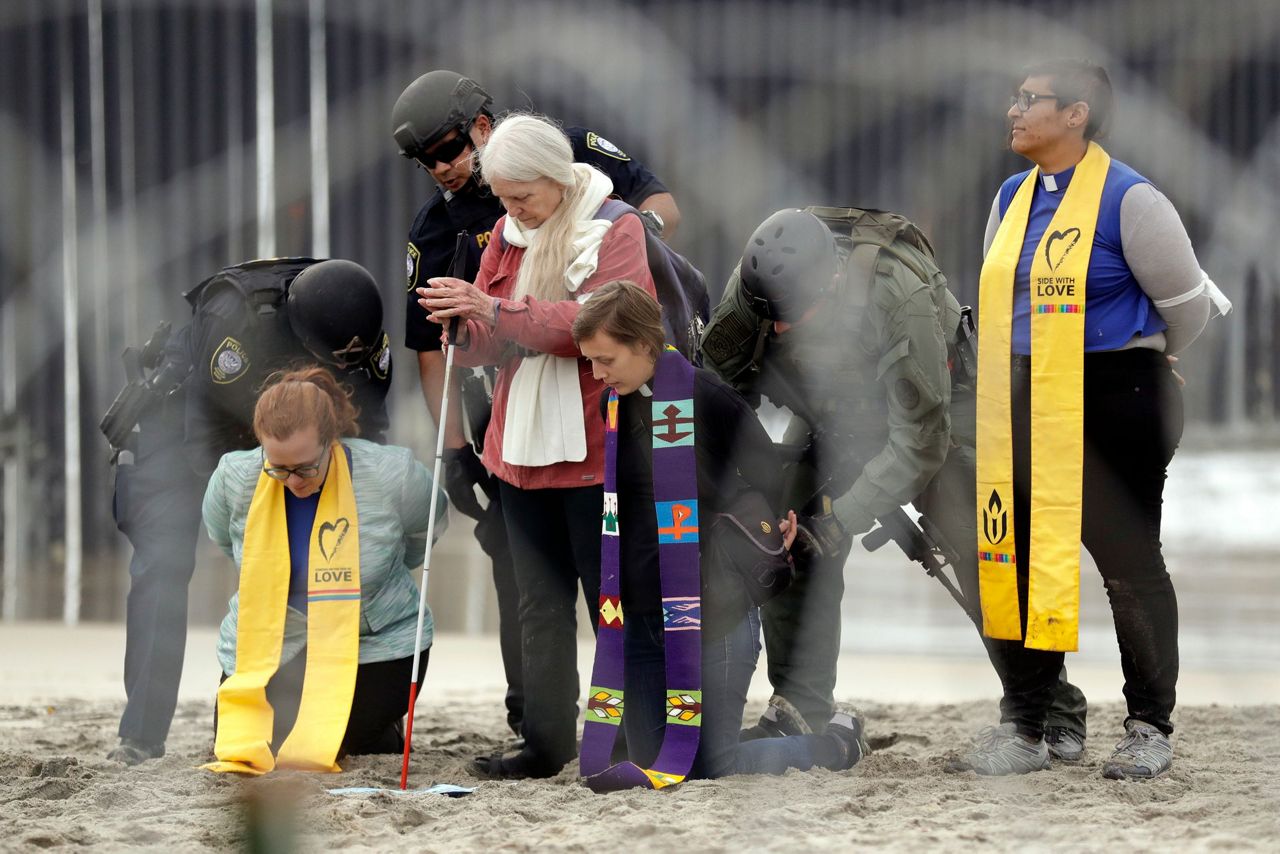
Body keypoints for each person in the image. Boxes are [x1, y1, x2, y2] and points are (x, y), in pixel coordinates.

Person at [698, 206, 1088, 744]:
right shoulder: (754, 289)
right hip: (827, 411)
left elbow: (920, 441)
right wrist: (754, 493)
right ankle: (802, 707)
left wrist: (841, 519)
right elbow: (716, 395)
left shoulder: (897, 296)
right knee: (785, 534)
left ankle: (1050, 709)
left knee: (978, 549)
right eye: (773, 319)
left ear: (832, 282)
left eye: (794, 315)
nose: (781, 329)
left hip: (937, 413)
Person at [949, 60, 1224, 779]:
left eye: (1029, 99)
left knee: (1128, 568)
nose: (1013, 110)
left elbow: (1188, 306)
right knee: (1014, 559)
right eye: (1014, 98)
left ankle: (1148, 728)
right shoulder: (1011, 196)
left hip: (1115, 396)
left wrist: (1146, 355)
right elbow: (1003, 299)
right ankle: (1032, 729)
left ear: (1076, 114)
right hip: (1024, 395)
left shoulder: (1131, 199)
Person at [391, 69, 682, 739]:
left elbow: (598, 325)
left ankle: (633, 732)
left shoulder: (615, 225)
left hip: (598, 443)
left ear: (556, 178)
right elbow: (484, 344)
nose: (510, 211)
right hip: (513, 446)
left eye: (520, 197)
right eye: (502, 198)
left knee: (613, 598)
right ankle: (543, 738)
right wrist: (464, 329)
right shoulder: (493, 231)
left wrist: (492, 309)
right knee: (536, 604)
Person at [572, 280, 868, 783]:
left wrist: (774, 526)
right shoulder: (614, 405)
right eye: (591, 362)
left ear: (644, 344)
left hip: (715, 610)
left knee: (708, 766)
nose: (597, 374)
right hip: (640, 614)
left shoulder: (708, 397)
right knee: (653, 765)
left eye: (606, 360)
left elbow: (769, 475)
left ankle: (835, 743)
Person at [105, 258, 394, 765]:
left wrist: (342, 497)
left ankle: (362, 717)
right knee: (162, 565)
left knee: (340, 558)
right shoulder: (235, 324)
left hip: (292, 434)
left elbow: (368, 429)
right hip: (192, 424)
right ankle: (142, 735)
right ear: (301, 338)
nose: (347, 364)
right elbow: (204, 443)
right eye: (335, 359)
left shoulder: (358, 333)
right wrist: (266, 497)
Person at [203, 366, 447, 773]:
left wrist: (378, 574)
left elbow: (427, 527)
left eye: (304, 467)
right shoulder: (233, 477)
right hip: (275, 646)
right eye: (277, 468)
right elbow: (226, 543)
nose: (292, 481)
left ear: (332, 439)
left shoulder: (393, 474)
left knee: (321, 742)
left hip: (375, 646)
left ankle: (377, 727)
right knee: (252, 745)